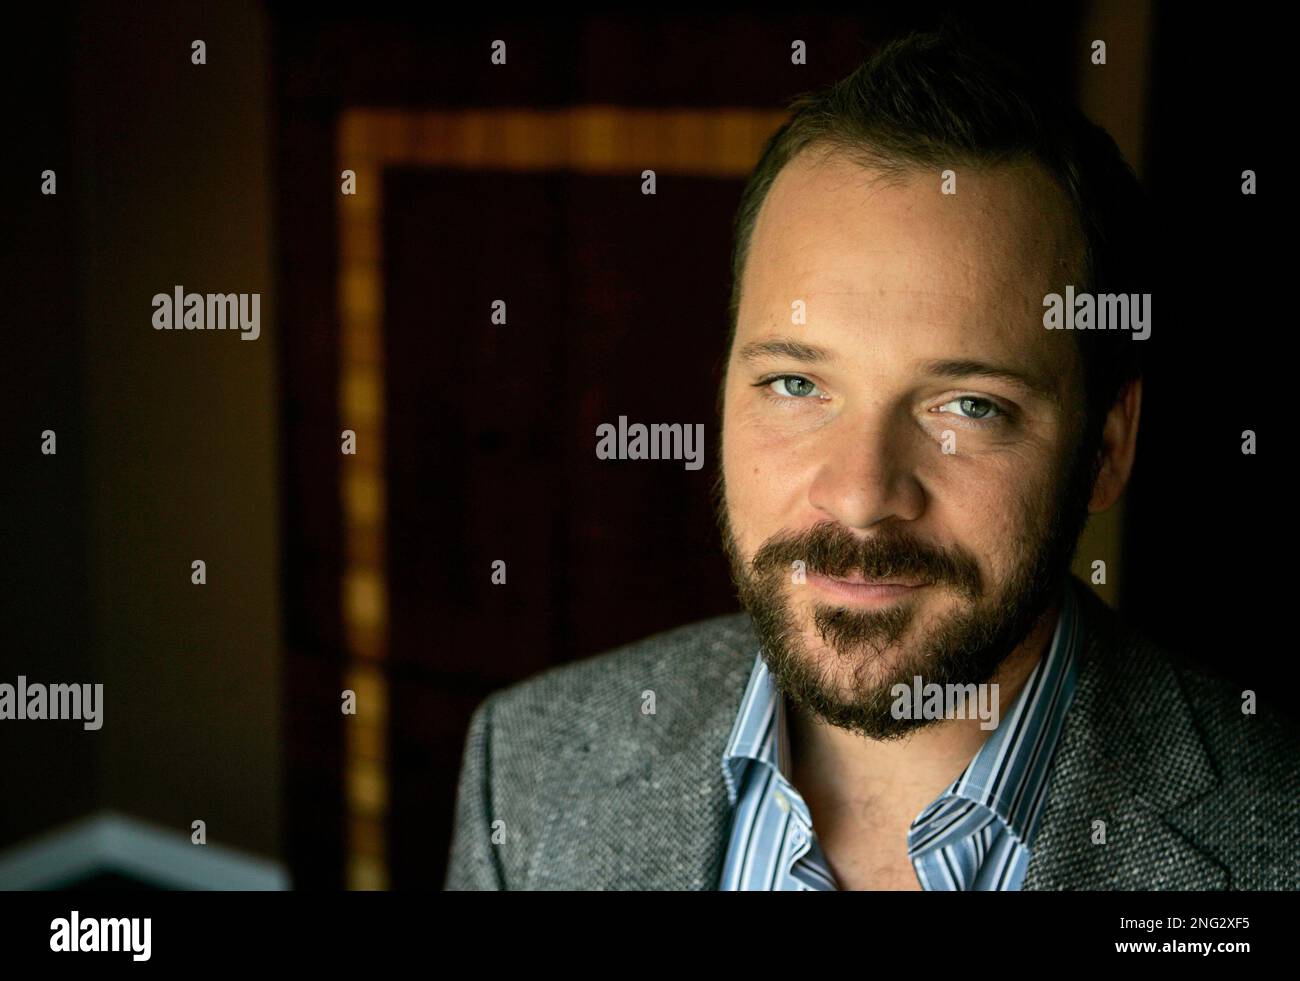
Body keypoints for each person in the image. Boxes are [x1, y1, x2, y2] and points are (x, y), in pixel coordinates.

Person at [444, 29, 1300, 891]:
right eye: (794, 383)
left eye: (968, 405)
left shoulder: (1274, 839)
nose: (858, 496)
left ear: (1107, 448)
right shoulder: (528, 770)